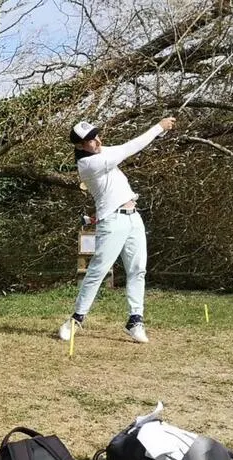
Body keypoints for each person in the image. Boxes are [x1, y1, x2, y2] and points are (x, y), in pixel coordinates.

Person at [58, 117, 176, 344]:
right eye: (91, 139)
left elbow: (133, 145)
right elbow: (130, 147)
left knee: (138, 269)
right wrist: (157, 127)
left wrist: (159, 133)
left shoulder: (101, 152)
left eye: (96, 135)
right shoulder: (88, 165)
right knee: (97, 272)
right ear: (80, 146)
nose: (98, 140)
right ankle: (76, 319)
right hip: (112, 221)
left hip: (134, 218)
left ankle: (135, 320)